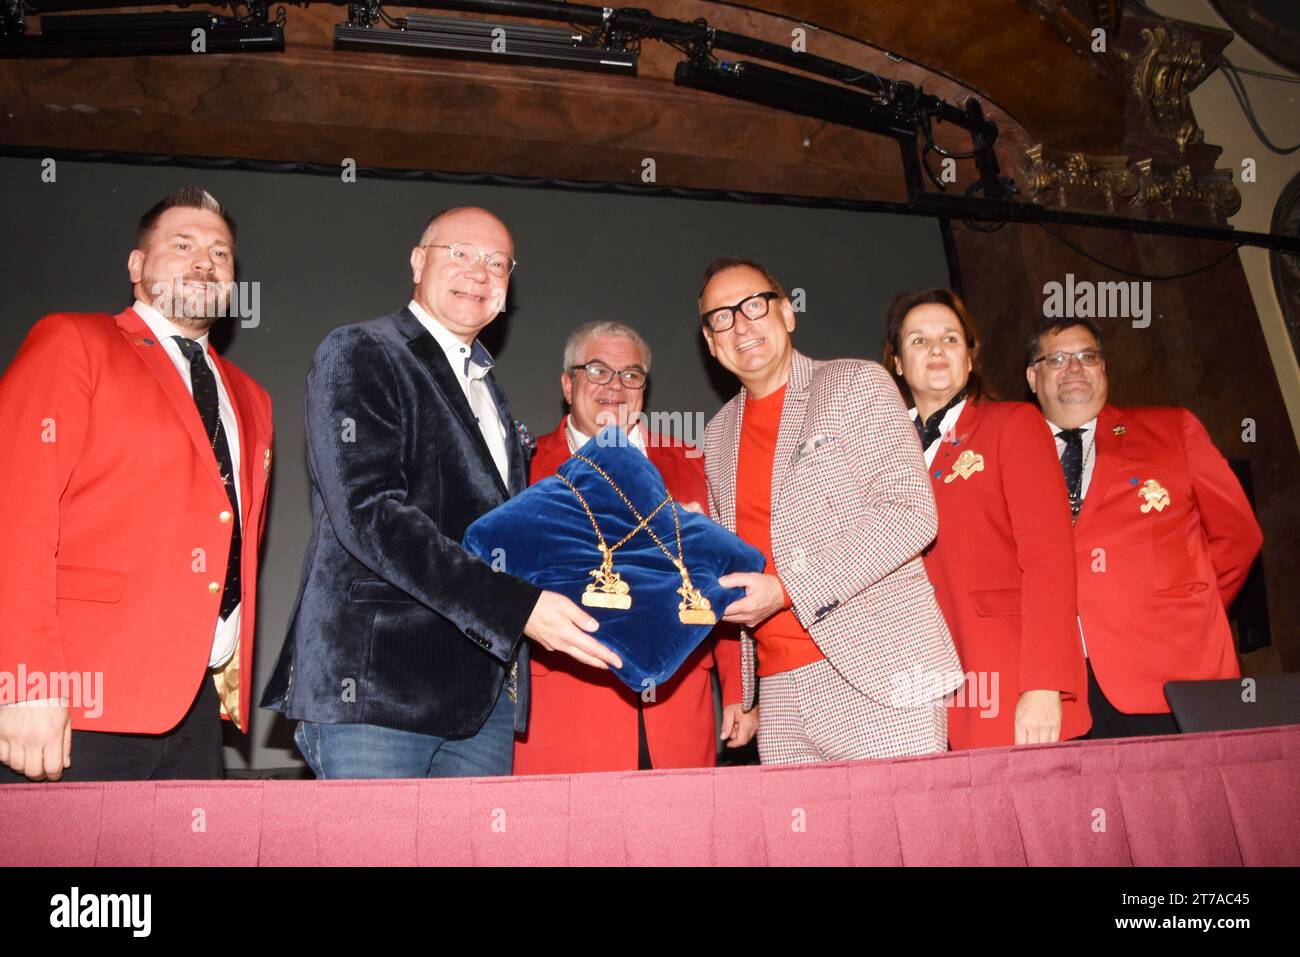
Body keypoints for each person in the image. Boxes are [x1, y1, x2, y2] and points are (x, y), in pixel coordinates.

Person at [261, 206, 620, 779]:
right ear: (416, 263)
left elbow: (501, 541)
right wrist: (515, 607)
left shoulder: (491, 396)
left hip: (482, 704)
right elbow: (371, 515)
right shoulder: (362, 350)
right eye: (459, 253)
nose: (479, 271)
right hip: (378, 693)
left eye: (496, 262)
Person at [0, 187, 272, 781]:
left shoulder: (251, 397)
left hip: (194, 707)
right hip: (74, 701)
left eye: (220, 253)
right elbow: (13, 516)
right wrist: (23, 682)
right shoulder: (74, 342)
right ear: (137, 266)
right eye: (183, 245)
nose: (204, 262)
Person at [699, 259, 962, 764]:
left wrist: (788, 590)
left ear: (788, 314)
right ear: (711, 343)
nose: (742, 325)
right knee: (806, 845)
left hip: (878, 674)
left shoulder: (855, 383)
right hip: (777, 696)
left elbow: (910, 513)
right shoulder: (716, 433)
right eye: (722, 318)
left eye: (754, 305)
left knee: (901, 839)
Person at [514, 320, 750, 774]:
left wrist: (740, 691)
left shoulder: (694, 463)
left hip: (678, 709)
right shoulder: (522, 467)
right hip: (565, 713)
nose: (615, 387)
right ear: (568, 383)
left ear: (645, 387)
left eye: (631, 374)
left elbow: (725, 579)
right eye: (597, 370)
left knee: (677, 841)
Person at [1026, 317, 1263, 737]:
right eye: (1058, 359)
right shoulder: (1013, 455)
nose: (1075, 368)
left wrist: (1192, 607)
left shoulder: (1172, 430)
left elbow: (1238, 536)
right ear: (1033, 376)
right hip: (1065, 696)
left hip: (1173, 674)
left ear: (1105, 369)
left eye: (1088, 356)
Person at [884, 289, 1088, 749]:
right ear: (897, 363)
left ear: (970, 358)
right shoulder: (883, 454)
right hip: (915, 693)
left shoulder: (1012, 424)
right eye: (918, 341)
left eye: (950, 339)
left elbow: (1049, 560)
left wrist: (1042, 684)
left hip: (1006, 677)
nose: (936, 350)